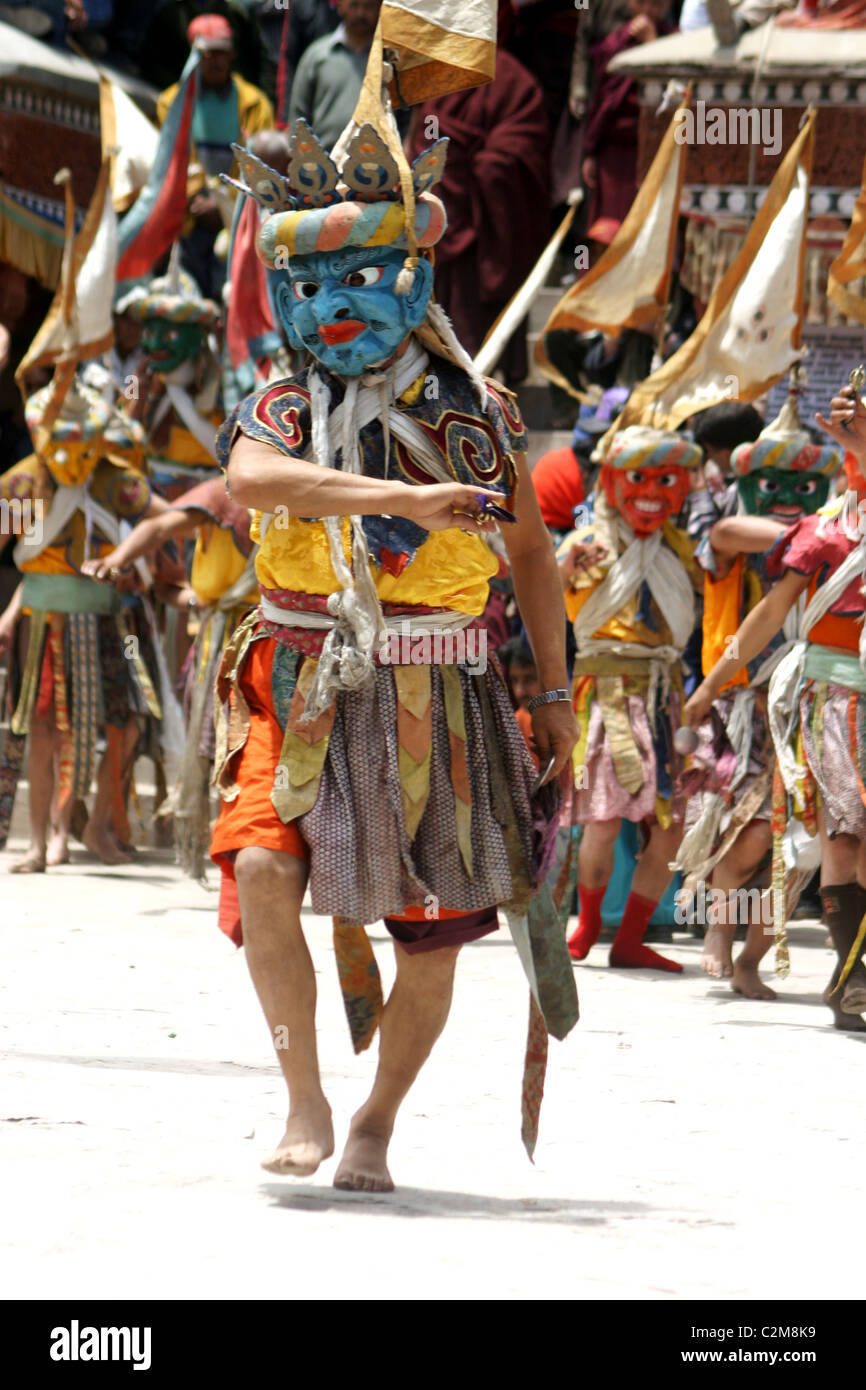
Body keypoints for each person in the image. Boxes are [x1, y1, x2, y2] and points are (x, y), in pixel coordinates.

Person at [209, 108, 578, 1191]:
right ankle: (304, 1097)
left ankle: (375, 1120)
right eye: (311, 288)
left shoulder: (475, 410)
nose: (328, 310)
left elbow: (530, 556)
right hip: (300, 676)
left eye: (358, 279)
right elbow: (253, 481)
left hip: (441, 692)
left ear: (412, 282)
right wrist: (396, 496)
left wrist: (553, 689)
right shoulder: (280, 402)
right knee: (264, 864)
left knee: (434, 933)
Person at [684, 378, 866, 1028]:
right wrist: (707, 689)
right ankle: (849, 982)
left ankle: (784, 962)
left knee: (816, 850)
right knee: (825, 836)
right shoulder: (818, 533)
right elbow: (764, 610)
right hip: (819, 703)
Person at [560, 426, 703, 971]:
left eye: (666, 480)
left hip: (666, 696)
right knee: (602, 818)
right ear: (612, 481)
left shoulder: (681, 548)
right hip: (607, 693)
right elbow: (543, 595)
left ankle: (631, 939)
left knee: (668, 825)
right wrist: (561, 570)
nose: (652, 491)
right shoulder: (585, 542)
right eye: (637, 478)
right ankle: (589, 926)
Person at [407, 42, 550, 384]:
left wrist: (491, 166)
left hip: (495, 227)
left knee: (489, 324)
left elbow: (525, 141)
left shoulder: (513, 78)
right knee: (449, 325)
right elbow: (423, 141)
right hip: (449, 219)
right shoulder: (440, 73)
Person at [157, 15, 274, 299]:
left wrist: (224, 204)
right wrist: (198, 197)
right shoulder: (171, 102)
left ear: (232, 54)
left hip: (237, 220)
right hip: (189, 218)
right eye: (207, 53)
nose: (215, 61)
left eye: (221, 53)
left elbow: (263, 169)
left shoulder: (254, 105)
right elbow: (169, 162)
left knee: (231, 297)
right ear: (194, 55)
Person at [581, 0, 673, 230]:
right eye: (641, 3)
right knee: (612, 226)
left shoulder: (674, 40)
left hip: (657, 148)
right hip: (615, 150)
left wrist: (653, 43)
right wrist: (591, 151)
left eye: (656, 5)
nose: (647, 11)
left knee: (648, 225)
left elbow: (676, 93)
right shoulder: (615, 42)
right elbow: (603, 101)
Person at [288, 0, 380, 150]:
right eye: (354, 5)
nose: (361, 13)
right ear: (340, 6)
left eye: (368, 6)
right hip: (324, 162)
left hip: (378, 163)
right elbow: (299, 114)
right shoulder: (317, 56)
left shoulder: (388, 58)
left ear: (379, 8)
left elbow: (403, 117)